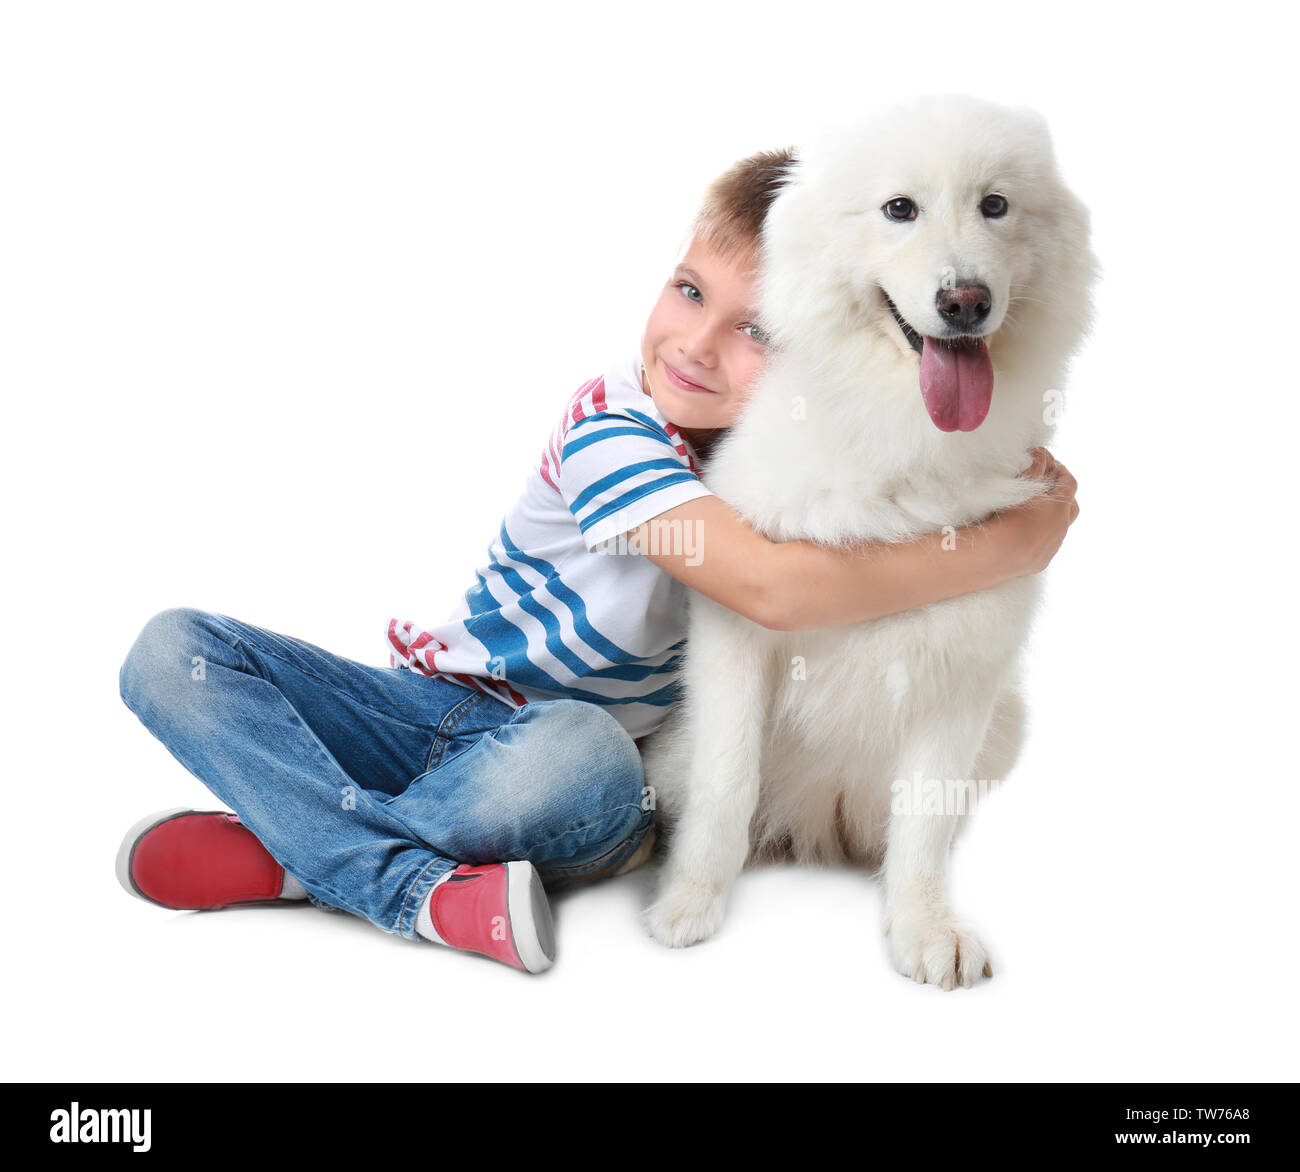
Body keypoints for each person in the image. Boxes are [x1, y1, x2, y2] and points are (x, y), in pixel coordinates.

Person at [116, 148, 1079, 974]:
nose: (696, 345)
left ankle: (298, 847)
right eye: (689, 290)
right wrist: (1007, 546)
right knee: (175, 648)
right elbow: (770, 590)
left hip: (576, 773)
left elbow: (893, 500)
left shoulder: (800, 467)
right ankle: (392, 877)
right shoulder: (610, 427)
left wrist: (985, 481)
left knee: (576, 751)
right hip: (426, 709)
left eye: (754, 331)